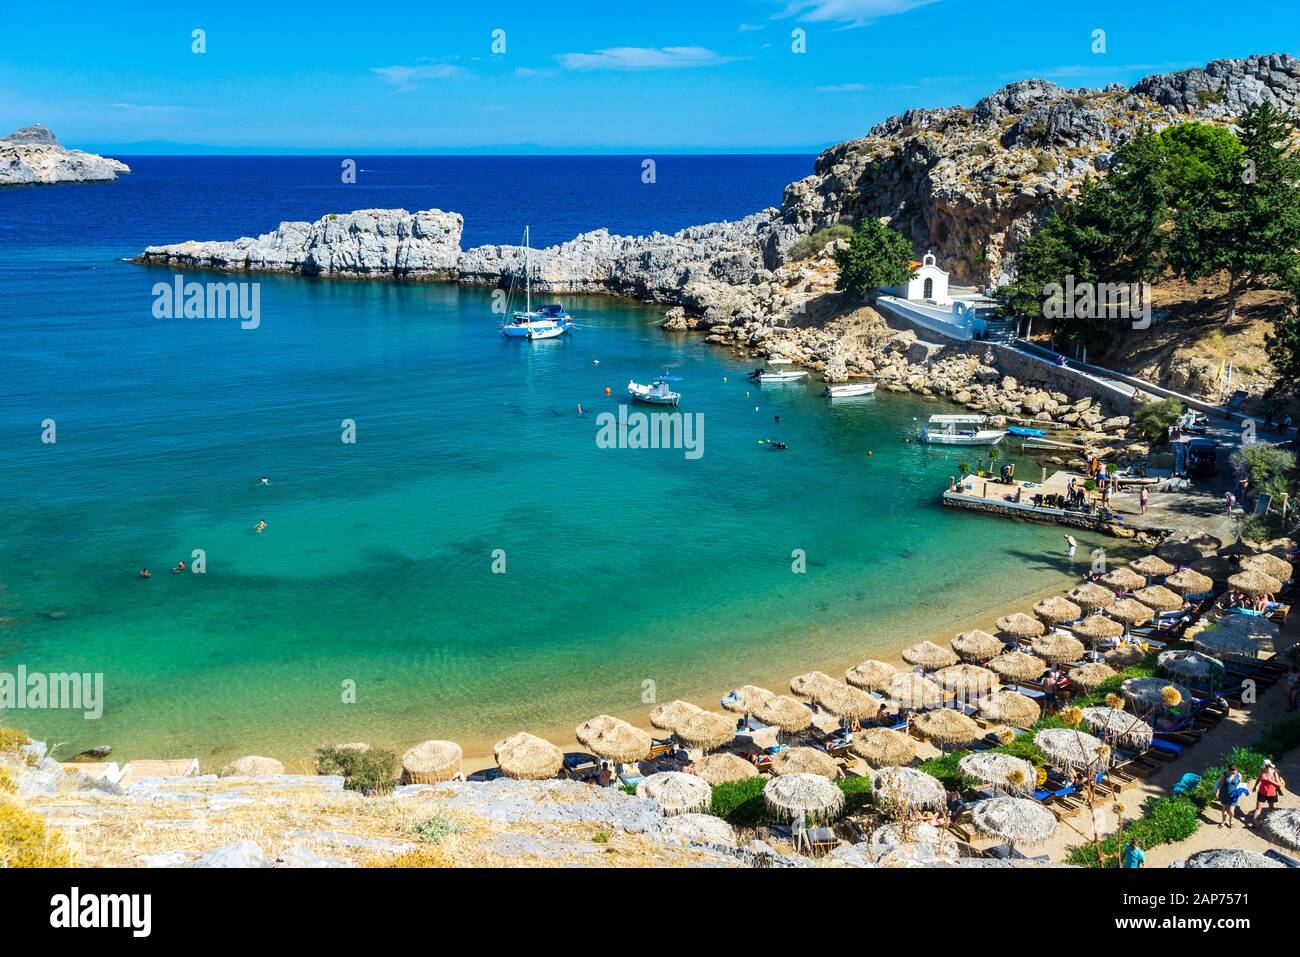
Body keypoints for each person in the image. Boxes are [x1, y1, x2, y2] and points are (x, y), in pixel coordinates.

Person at [1248, 760, 1285, 826]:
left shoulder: (1274, 773)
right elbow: (1258, 779)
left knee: (1271, 807)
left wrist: (1270, 780)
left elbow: (1279, 784)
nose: (1267, 768)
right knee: (1258, 807)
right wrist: (1255, 786)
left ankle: (1274, 819)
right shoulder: (1262, 772)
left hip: (1271, 793)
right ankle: (1255, 820)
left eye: (1268, 766)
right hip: (1261, 792)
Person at [1215, 763, 1243, 828]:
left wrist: (1240, 791)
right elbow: (1220, 783)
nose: (1233, 774)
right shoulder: (1225, 774)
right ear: (1229, 770)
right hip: (1225, 794)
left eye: (1235, 772)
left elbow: (1239, 784)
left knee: (1231, 811)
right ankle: (1223, 821)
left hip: (1233, 796)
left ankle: (1231, 820)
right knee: (1224, 811)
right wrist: (1217, 791)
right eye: (1232, 773)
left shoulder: (1239, 775)